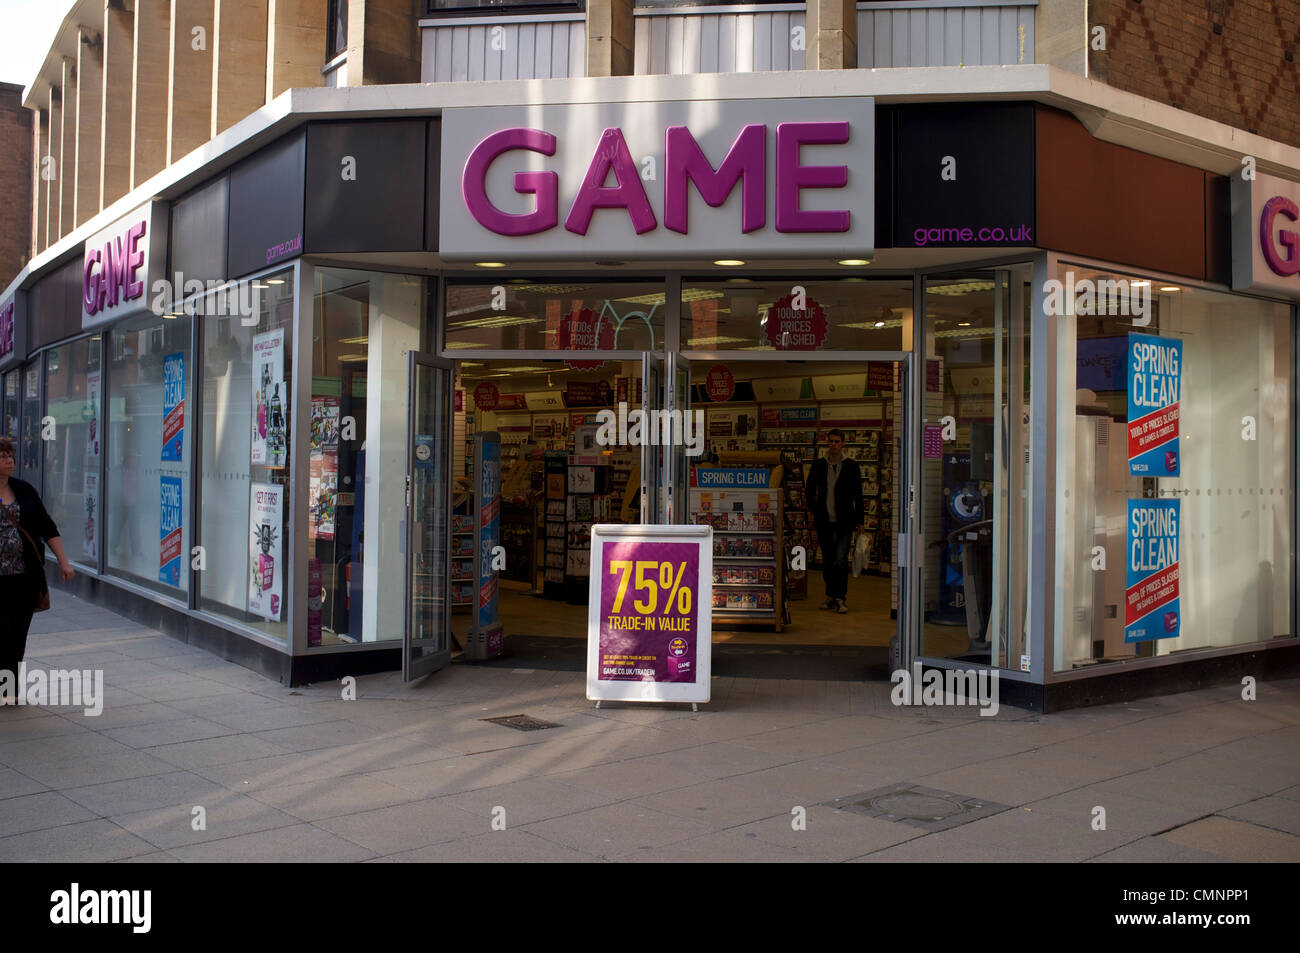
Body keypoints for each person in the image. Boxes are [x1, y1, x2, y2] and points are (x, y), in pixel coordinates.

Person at [0, 436, 75, 703]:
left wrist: (64, 562)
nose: (9, 461)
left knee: (17, 634)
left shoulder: (25, 490)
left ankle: (8, 691)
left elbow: (47, 527)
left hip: (23, 577)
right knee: (3, 631)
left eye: (10, 456)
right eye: (3, 456)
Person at [805, 428, 863, 614]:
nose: (834, 445)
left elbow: (858, 495)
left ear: (843, 443)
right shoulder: (819, 465)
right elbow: (809, 490)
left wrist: (860, 520)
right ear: (827, 443)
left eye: (837, 441)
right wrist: (814, 510)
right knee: (828, 560)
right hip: (824, 521)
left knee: (840, 560)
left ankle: (840, 597)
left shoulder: (852, 466)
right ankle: (830, 595)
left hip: (845, 521)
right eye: (831, 441)